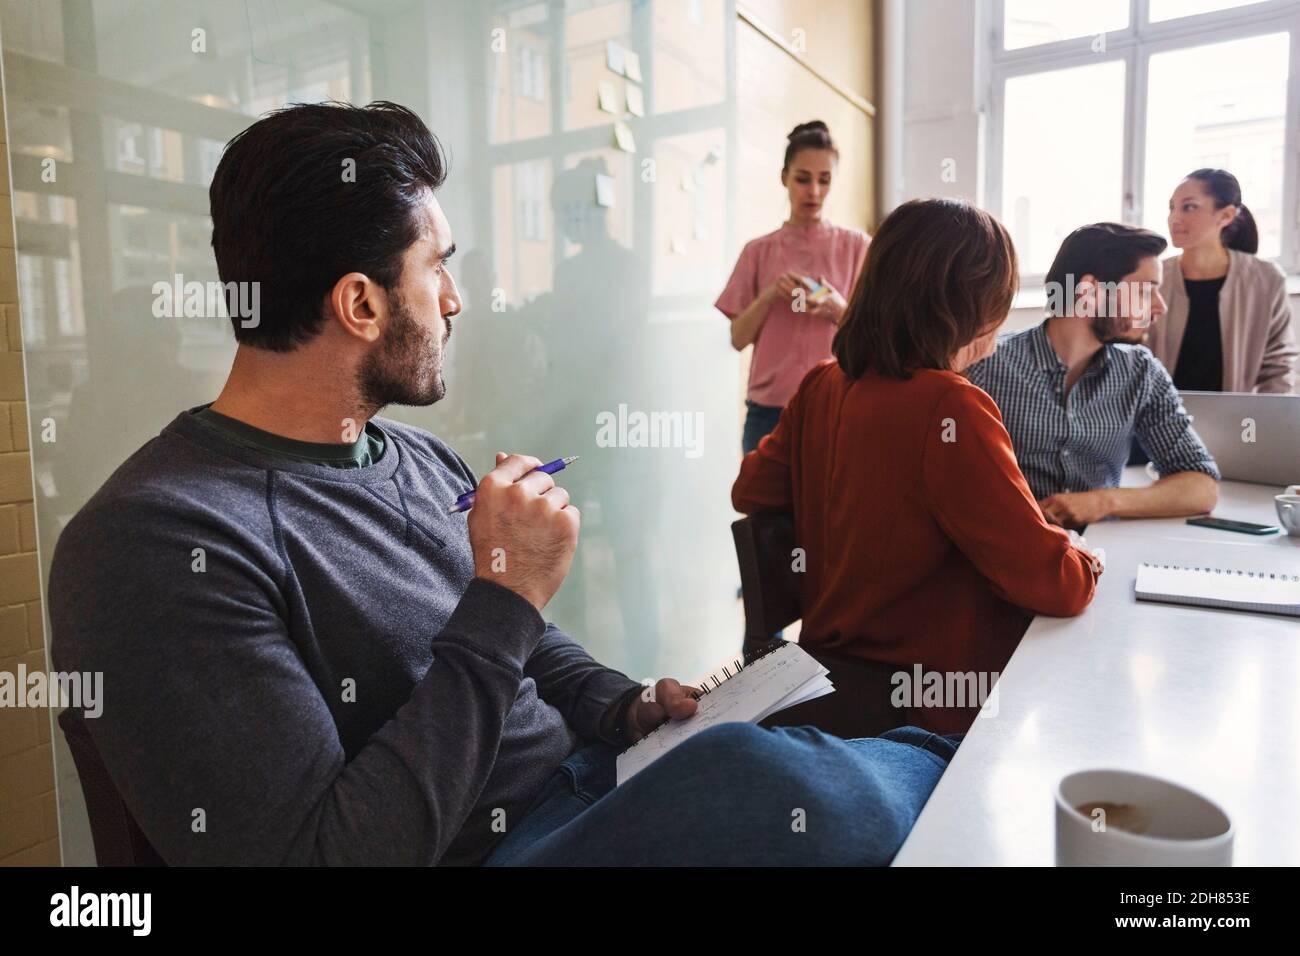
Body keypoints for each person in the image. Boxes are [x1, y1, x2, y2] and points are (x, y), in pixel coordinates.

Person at [46, 101, 955, 867]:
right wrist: (507, 591)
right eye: (438, 266)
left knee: (789, 755)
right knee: (796, 792)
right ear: (360, 303)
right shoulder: (158, 546)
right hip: (500, 847)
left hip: (586, 781)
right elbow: (320, 853)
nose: (455, 299)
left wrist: (622, 705)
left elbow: (524, 646)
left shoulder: (414, 457)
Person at [732, 198, 1100, 736]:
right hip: (924, 704)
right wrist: (1084, 557)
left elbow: (751, 489)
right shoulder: (950, 406)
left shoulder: (822, 383)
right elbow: (1054, 584)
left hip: (827, 678)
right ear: (972, 306)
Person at [967, 223, 1220, 530]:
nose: (1159, 306)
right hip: (1006, 549)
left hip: (1099, 552)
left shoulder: (1142, 372)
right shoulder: (985, 365)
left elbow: (1201, 487)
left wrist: (1103, 502)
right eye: (1145, 290)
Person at [716, 120, 869, 453]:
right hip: (768, 412)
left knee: (831, 506)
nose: (813, 191)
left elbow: (875, 337)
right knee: (764, 506)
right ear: (784, 177)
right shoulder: (757, 251)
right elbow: (737, 338)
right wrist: (770, 294)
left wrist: (838, 309)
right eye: (803, 179)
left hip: (836, 405)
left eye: (824, 180)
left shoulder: (857, 247)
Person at [1147, 168, 1297, 394]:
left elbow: (1278, 367)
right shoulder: (1152, 279)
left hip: (1236, 420)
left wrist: (1259, 423)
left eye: (1189, 207)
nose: (1174, 218)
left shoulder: (1266, 280)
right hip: (1157, 419)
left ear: (1226, 215)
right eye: (1172, 208)